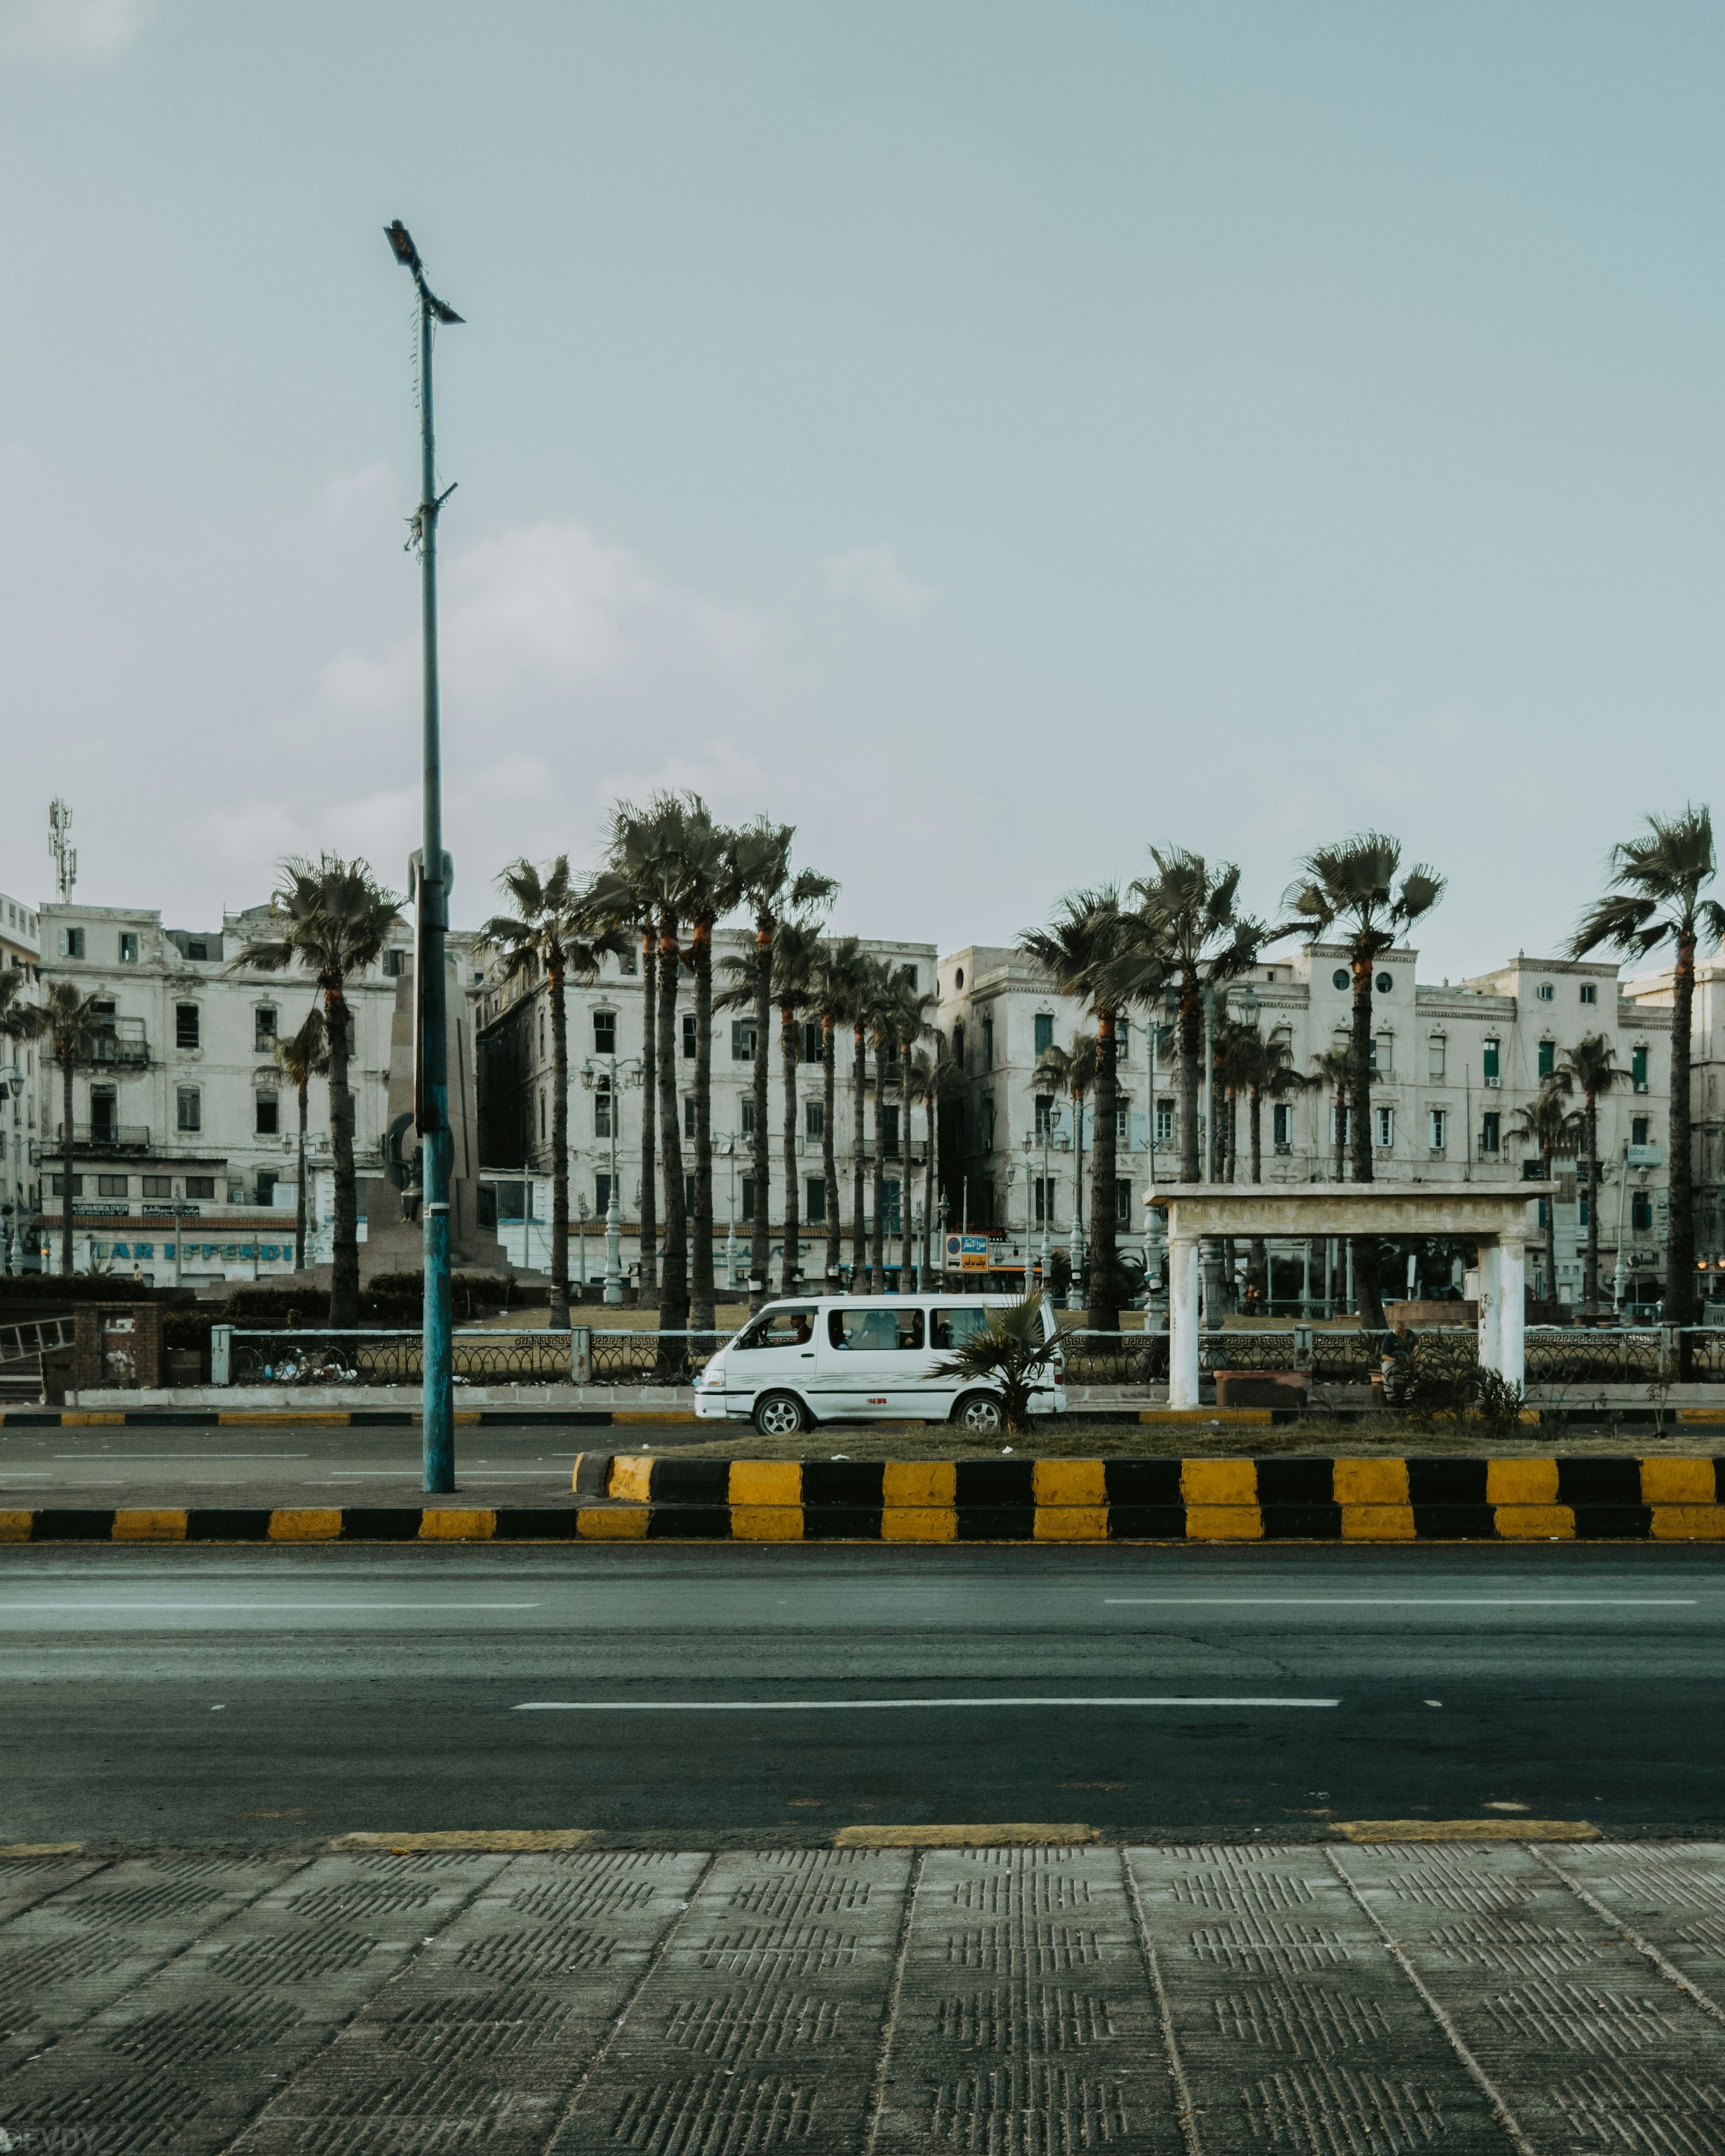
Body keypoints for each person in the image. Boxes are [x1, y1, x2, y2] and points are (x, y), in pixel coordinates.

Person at [1381, 1320, 1415, 1410]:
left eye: (1402, 1333)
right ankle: (1391, 1397)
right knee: (1386, 1369)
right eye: (1398, 1333)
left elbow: (1416, 1347)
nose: (1400, 1336)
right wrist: (1394, 1359)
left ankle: (1408, 1397)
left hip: (1407, 1360)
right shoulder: (1389, 1338)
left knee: (1415, 1371)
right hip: (1392, 1360)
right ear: (1394, 1330)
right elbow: (1384, 1356)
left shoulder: (1409, 1335)